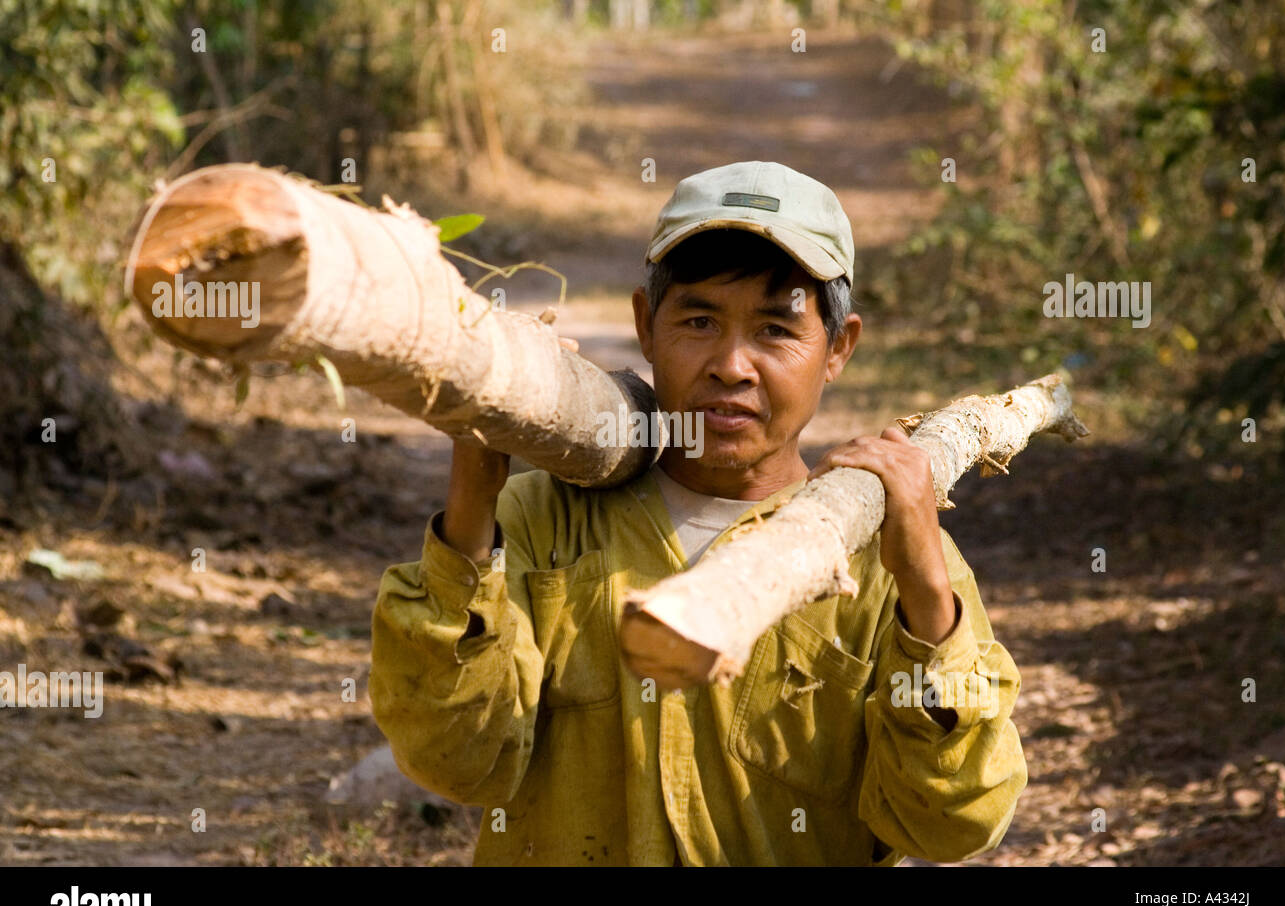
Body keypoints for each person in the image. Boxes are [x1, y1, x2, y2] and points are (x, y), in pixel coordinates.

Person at [370, 160, 1028, 866]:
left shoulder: (890, 556)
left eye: (776, 330)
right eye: (699, 320)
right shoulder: (536, 523)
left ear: (838, 348)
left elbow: (954, 825)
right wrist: (473, 495)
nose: (732, 365)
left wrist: (927, 594)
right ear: (645, 327)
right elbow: (455, 763)